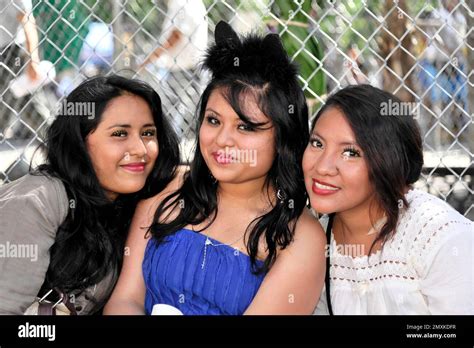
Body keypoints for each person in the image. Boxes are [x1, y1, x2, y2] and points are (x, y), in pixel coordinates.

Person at [105, 21, 326, 315]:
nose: (222, 140)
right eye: (213, 120)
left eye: (246, 127)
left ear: (283, 138)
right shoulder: (167, 188)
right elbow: (124, 300)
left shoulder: (300, 235)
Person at [0, 75, 180, 314]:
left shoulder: (132, 204)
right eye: (119, 134)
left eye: (148, 133)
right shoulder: (37, 202)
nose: (139, 149)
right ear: (79, 142)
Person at [302, 84, 473, 315]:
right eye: (317, 143)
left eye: (351, 153)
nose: (322, 167)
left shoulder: (439, 238)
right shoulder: (313, 241)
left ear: (388, 162)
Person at [140, 0, 208, 140]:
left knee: (172, 113)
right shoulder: (190, 3)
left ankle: (171, 148)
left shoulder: (181, 4)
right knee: (187, 111)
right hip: (188, 66)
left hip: (184, 68)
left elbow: (175, 37)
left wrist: (149, 59)